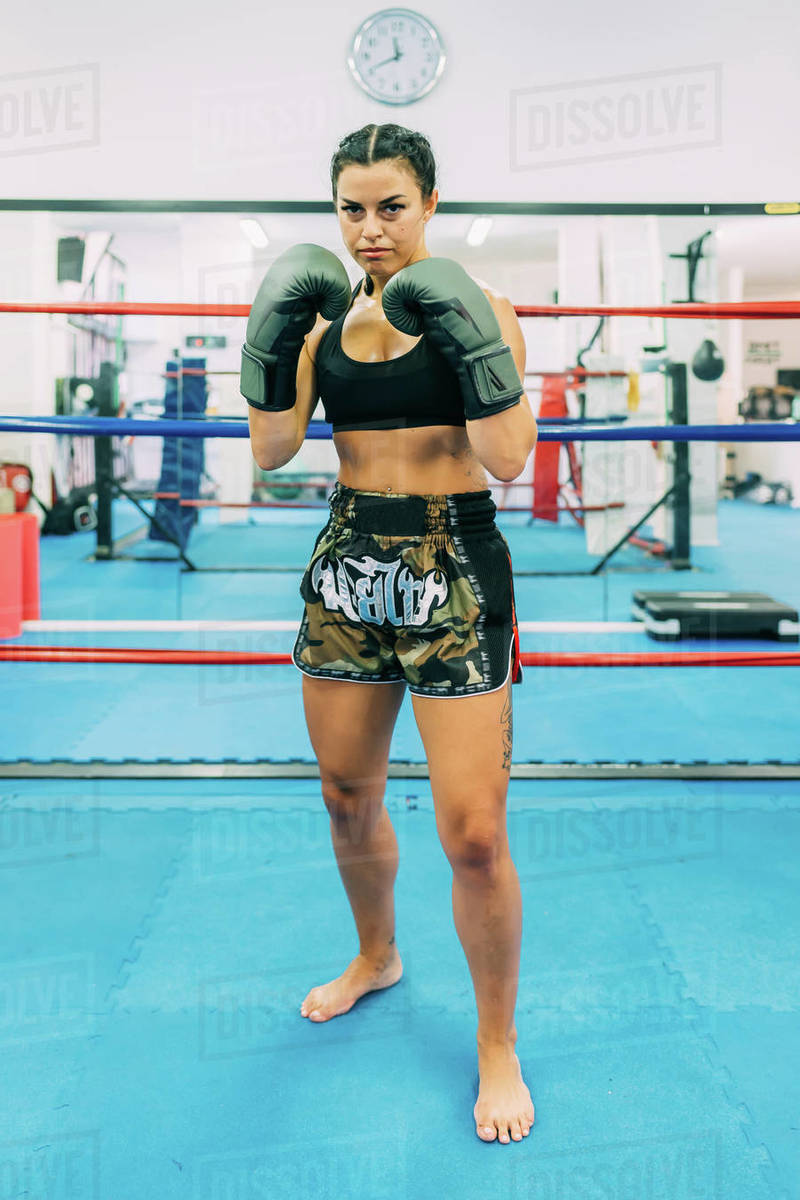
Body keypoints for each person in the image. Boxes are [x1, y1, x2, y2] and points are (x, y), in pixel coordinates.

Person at [243, 123, 538, 1145]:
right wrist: (271, 339)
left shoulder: (482, 305)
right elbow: (275, 452)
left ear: (428, 203)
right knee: (344, 797)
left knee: (473, 831)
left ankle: (494, 1043)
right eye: (350, 209)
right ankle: (377, 955)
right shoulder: (321, 326)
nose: (369, 229)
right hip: (349, 559)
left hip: (453, 560)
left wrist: (470, 342)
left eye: (390, 206)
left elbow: (507, 460)